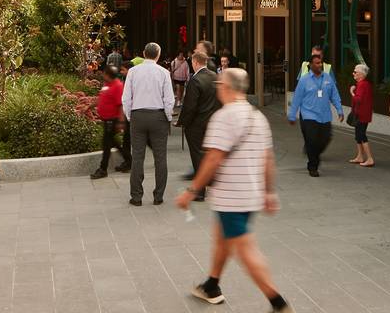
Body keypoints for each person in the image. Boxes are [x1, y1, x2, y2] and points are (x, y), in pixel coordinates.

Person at [176, 69, 292, 312]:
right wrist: (269, 192)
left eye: (219, 83)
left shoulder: (224, 117)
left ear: (226, 87)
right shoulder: (257, 117)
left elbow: (212, 159)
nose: (217, 86)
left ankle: (277, 302)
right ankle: (211, 285)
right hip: (251, 194)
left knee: (245, 249)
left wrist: (191, 190)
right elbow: (268, 159)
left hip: (232, 197)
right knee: (222, 238)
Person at [121, 42, 174, 206]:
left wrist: (130, 116)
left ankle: (136, 197)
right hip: (158, 116)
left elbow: (126, 98)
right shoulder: (164, 72)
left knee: (137, 157)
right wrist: (168, 117)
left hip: (138, 115)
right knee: (160, 157)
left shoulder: (133, 72)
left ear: (144, 53)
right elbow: (169, 99)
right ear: (158, 55)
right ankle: (158, 196)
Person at [287, 52, 344, 177]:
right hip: (308, 116)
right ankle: (313, 166)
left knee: (325, 139)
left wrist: (339, 110)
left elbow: (334, 95)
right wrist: (292, 115)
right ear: (311, 65)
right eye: (317, 63)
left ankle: (311, 152)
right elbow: (297, 98)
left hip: (325, 116)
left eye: (321, 63)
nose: (320, 65)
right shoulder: (304, 80)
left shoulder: (328, 78)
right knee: (312, 140)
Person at [176, 49, 221, 191]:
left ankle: (200, 190)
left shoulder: (195, 80)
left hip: (196, 124)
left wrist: (182, 122)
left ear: (195, 62)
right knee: (208, 154)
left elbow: (190, 106)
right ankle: (211, 179)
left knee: (197, 156)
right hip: (212, 122)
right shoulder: (215, 76)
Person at [90, 65, 130, 179]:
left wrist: (121, 122)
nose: (102, 75)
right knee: (113, 142)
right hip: (107, 119)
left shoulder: (118, 86)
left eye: (104, 73)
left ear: (108, 75)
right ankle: (129, 161)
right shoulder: (107, 84)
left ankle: (103, 169)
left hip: (113, 120)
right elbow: (101, 98)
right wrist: (89, 106)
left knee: (106, 144)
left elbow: (120, 105)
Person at [347, 63, 374, 168]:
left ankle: (369, 158)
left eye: (355, 72)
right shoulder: (363, 84)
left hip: (361, 114)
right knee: (358, 135)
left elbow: (358, 99)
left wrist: (352, 92)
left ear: (361, 74)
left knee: (361, 135)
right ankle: (360, 156)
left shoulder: (363, 85)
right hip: (362, 113)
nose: (353, 73)